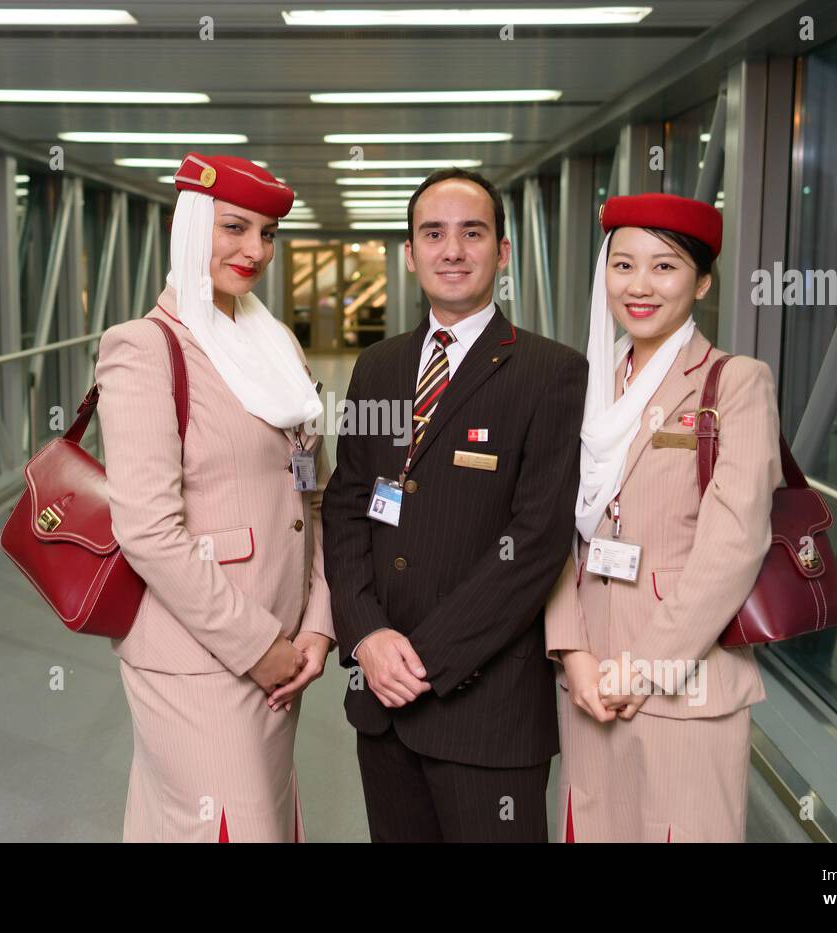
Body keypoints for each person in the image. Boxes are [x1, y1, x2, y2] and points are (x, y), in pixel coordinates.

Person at [322, 168, 587, 842]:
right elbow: (349, 502)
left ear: (502, 252)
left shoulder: (549, 372)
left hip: (485, 708)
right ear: (409, 253)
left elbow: (536, 541)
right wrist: (367, 635)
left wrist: (424, 659)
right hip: (381, 700)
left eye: (473, 233)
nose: (452, 250)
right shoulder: (378, 367)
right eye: (433, 234)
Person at [95, 153, 333, 842]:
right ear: (192, 226)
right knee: (228, 823)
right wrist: (258, 644)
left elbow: (313, 492)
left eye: (268, 233)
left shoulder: (275, 342)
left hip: (283, 642)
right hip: (198, 655)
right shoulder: (145, 347)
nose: (254, 249)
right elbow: (147, 530)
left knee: (252, 813)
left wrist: (317, 624)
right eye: (234, 227)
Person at [546, 193, 782, 842]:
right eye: (622, 266)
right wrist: (573, 652)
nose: (640, 286)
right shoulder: (584, 382)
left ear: (702, 280)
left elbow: (733, 545)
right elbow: (550, 532)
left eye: (665, 266)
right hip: (589, 677)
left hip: (684, 677)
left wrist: (644, 667)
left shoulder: (734, 383)